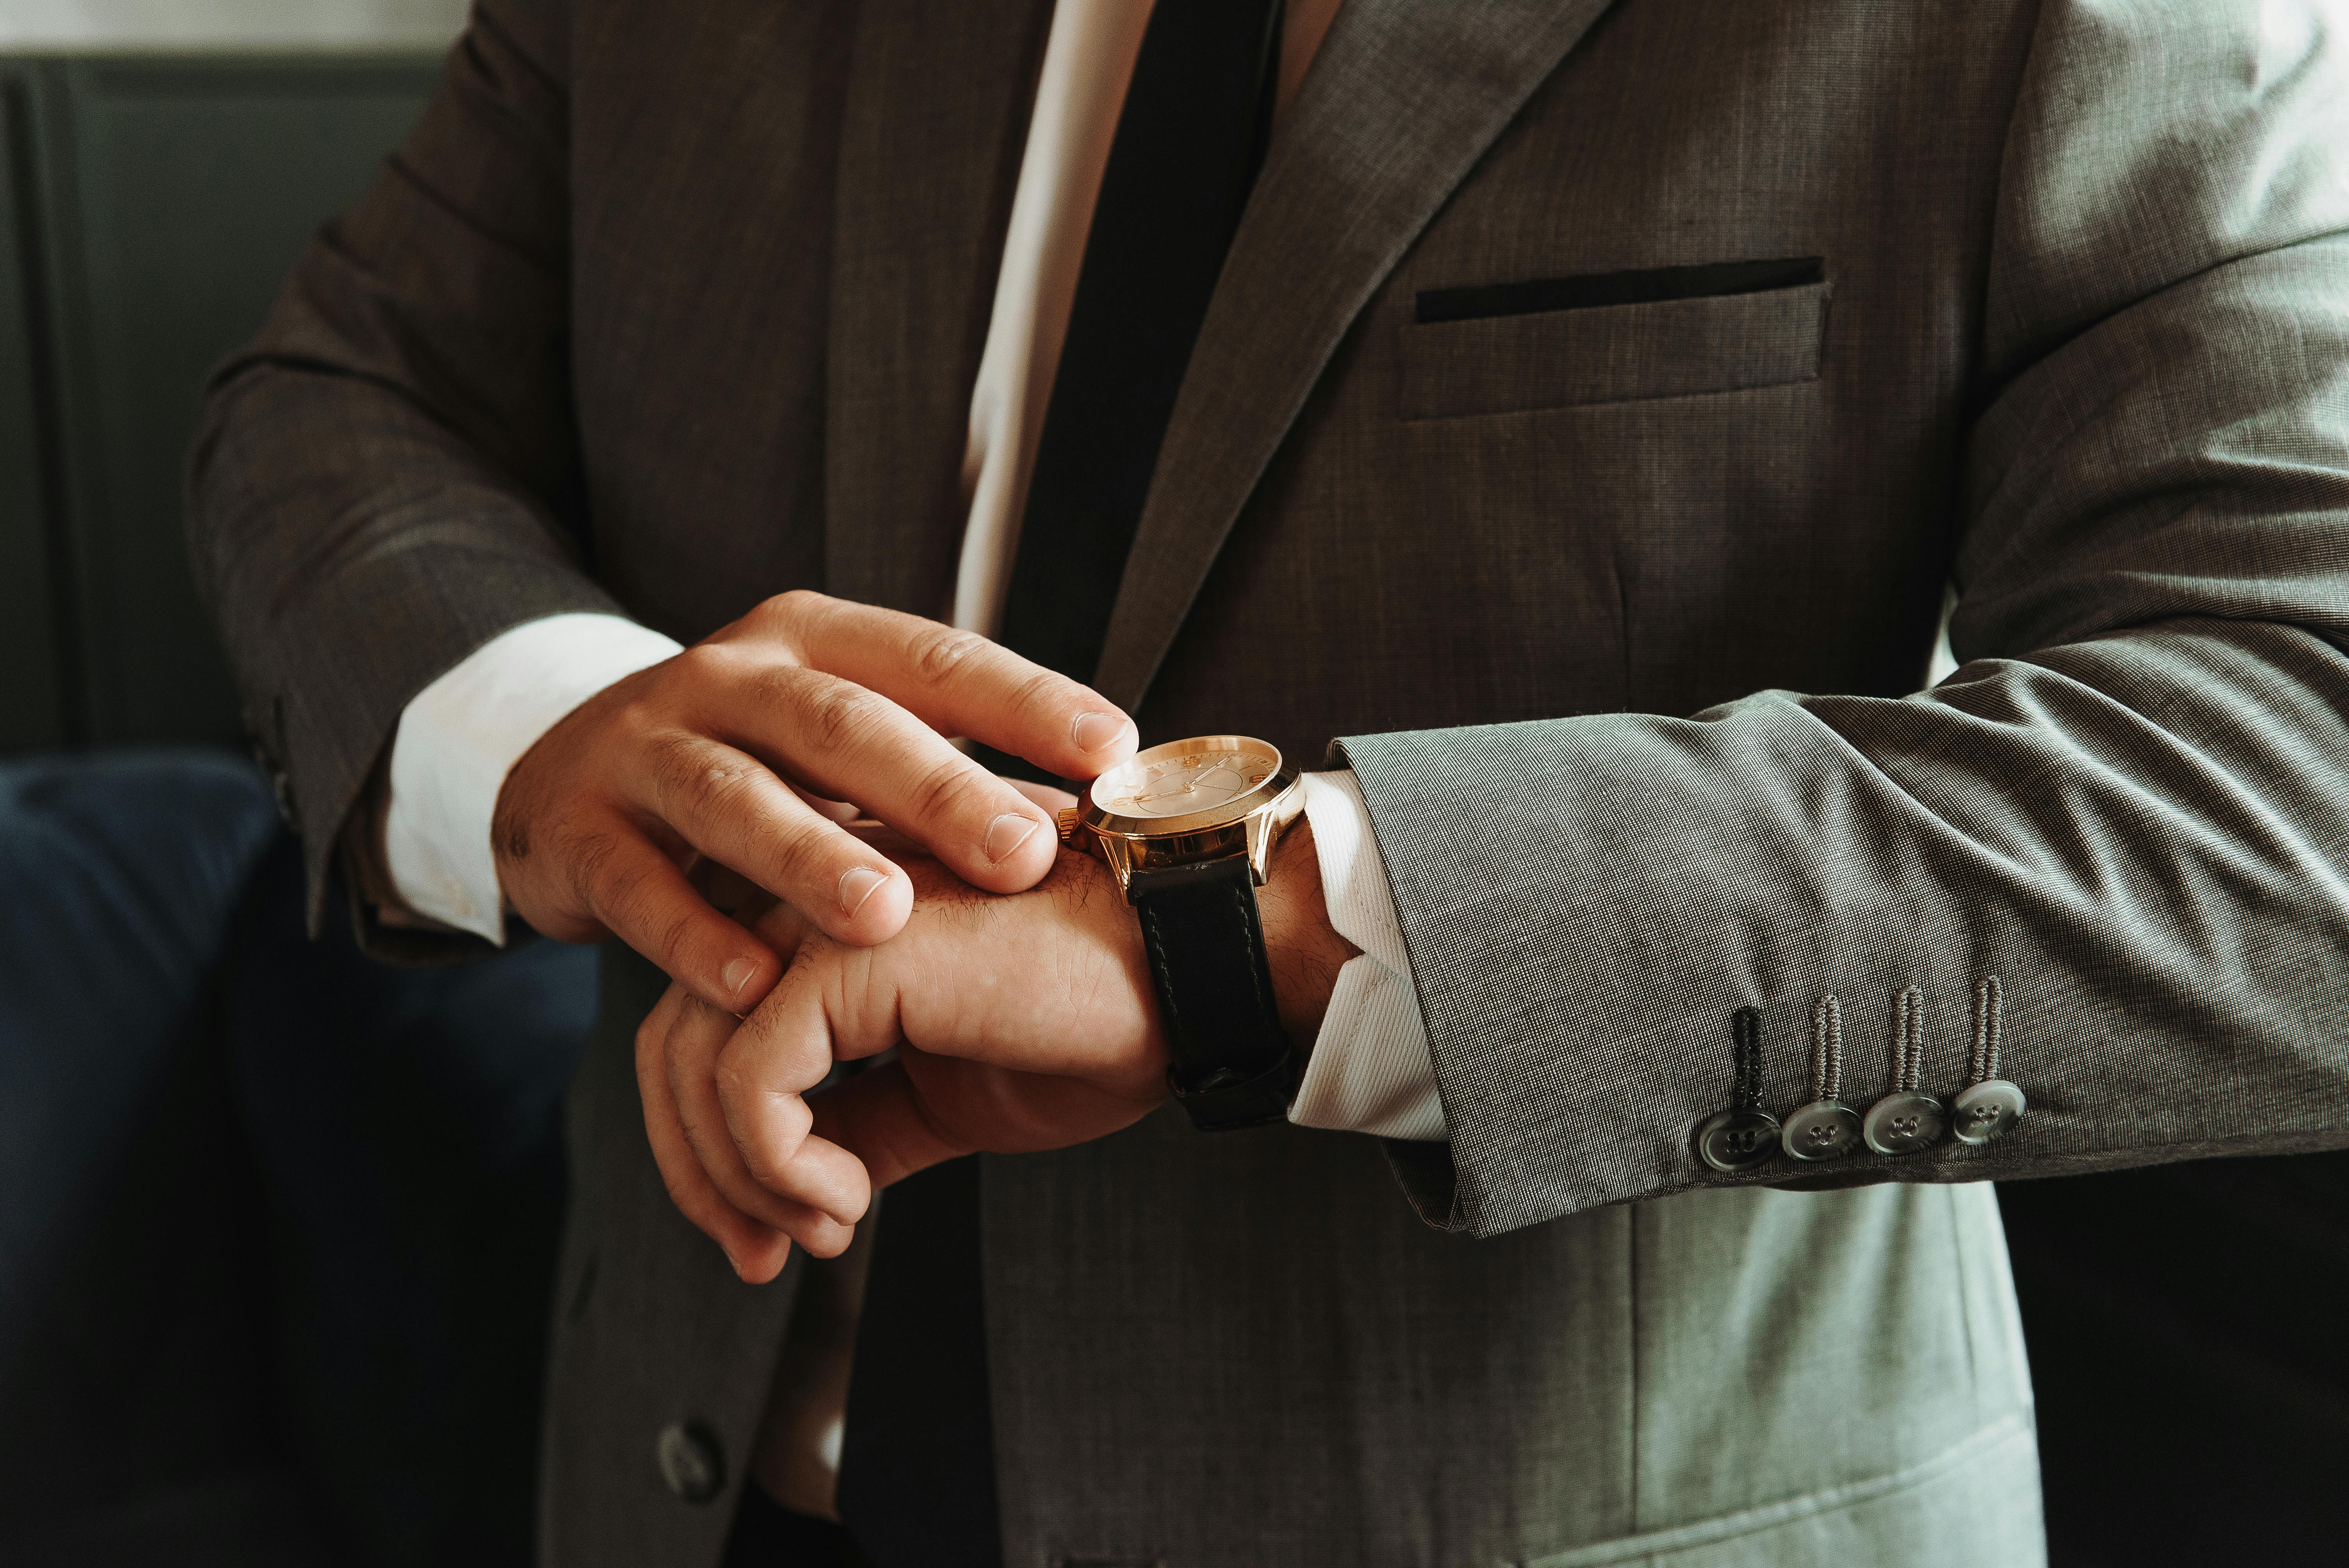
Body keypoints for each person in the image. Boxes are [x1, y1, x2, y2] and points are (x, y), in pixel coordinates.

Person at [187, 0, 2349, 1563]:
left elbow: (2302, 801)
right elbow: (341, 400)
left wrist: (1235, 934)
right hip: (690, 1478)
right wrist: (538, 724)